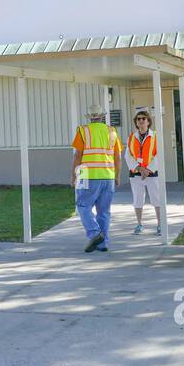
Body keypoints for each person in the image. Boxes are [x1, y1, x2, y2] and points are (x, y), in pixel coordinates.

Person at [71, 103, 122, 253]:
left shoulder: (83, 131)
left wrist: (74, 175)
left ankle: (94, 233)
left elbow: (77, 156)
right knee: (104, 211)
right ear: (102, 116)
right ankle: (103, 244)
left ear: (90, 117)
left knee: (82, 206)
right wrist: (117, 176)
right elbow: (118, 157)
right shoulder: (112, 131)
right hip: (108, 175)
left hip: (87, 174)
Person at [125, 109, 164, 235]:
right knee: (137, 199)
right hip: (136, 173)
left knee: (156, 199)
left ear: (148, 121)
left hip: (151, 173)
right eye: (138, 119)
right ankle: (139, 224)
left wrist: (147, 170)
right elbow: (128, 155)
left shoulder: (155, 136)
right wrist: (139, 168)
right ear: (136, 122)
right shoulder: (131, 137)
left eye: (143, 118)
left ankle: (160, 225)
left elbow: (159, 154)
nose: (141, 120)